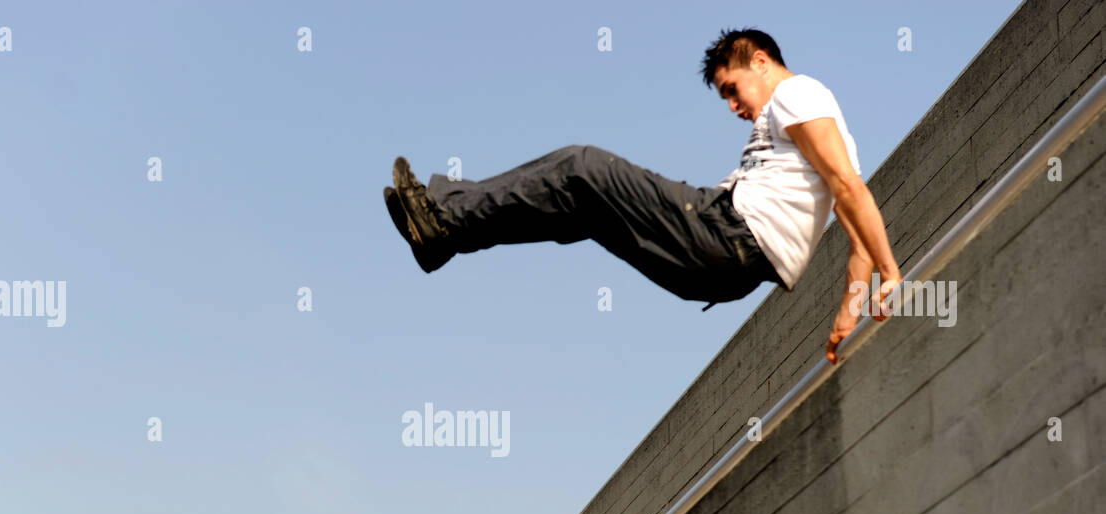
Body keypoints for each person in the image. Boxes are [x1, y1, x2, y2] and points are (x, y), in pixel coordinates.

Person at [384, 27, 902, 365]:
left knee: (581, 165)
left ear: (761, 61)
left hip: (726, 236)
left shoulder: (799, 93)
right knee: (578, 204)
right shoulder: (816, 134)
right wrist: (847, 317)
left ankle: (445, 216)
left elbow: (848, 189)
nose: (732, 107)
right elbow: (857, 237)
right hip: (725, 268)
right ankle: (444, 230)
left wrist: (893, 270)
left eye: (731, 89)